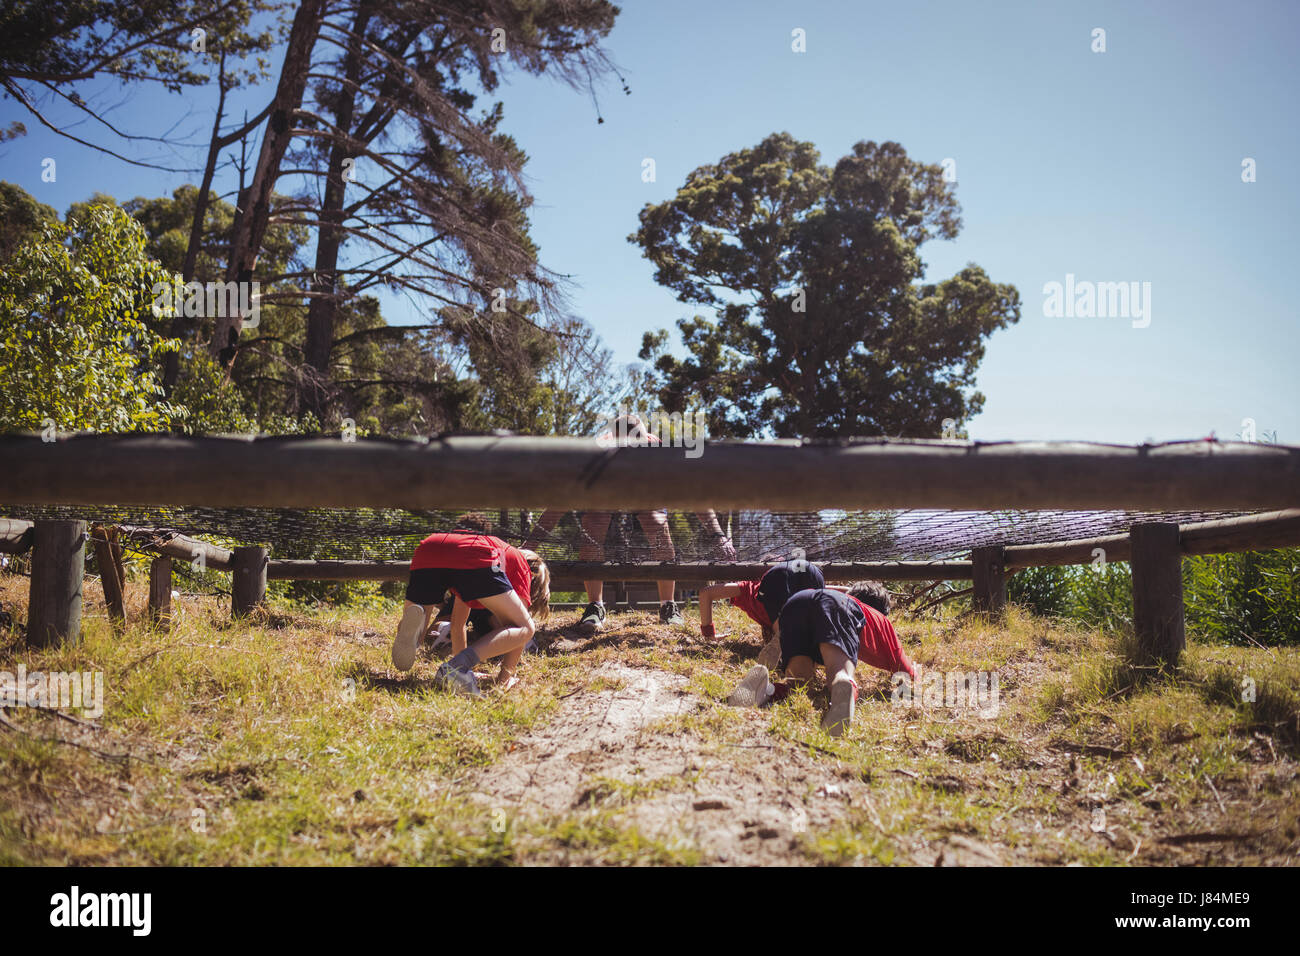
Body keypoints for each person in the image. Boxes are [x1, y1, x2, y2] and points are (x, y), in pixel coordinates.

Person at [523, 413, 735, 632]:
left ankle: (668, 605)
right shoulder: (595, 457)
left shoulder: (661, 456)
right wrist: (529, 546)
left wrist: (719, 535)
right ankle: (596, 606)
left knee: (656, 523)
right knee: (594, 523)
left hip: (645, 494)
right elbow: (559, 503)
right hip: (607, 494)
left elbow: (695, 496)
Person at [727, 580, 914, 737]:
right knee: (838, 671)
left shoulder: (835, 594)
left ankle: (767, 690)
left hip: (796, 603)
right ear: (882, 610)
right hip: (837, 608)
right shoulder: (877, 617)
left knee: (798, 684)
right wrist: (914, 676)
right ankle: (844, 683)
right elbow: (906, 669)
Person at [392, 531, 550, 696]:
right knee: (525, 627)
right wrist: (505, 678)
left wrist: (463, 667)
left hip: (429, 549)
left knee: (419, 616)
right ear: (532, 577)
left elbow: (458, 625)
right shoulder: (520, 565)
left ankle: (416, 637)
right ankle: (457, 668)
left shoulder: (490, 553)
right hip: (474, 556)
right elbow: (517, 627)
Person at [696, 559, 826, 639]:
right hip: (814, 574)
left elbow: (705, 593)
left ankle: (784, 644)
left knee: (788, 631)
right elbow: (705, 594)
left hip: (799, 580)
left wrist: (709, 635)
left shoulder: (750, 588)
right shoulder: (751, 589)